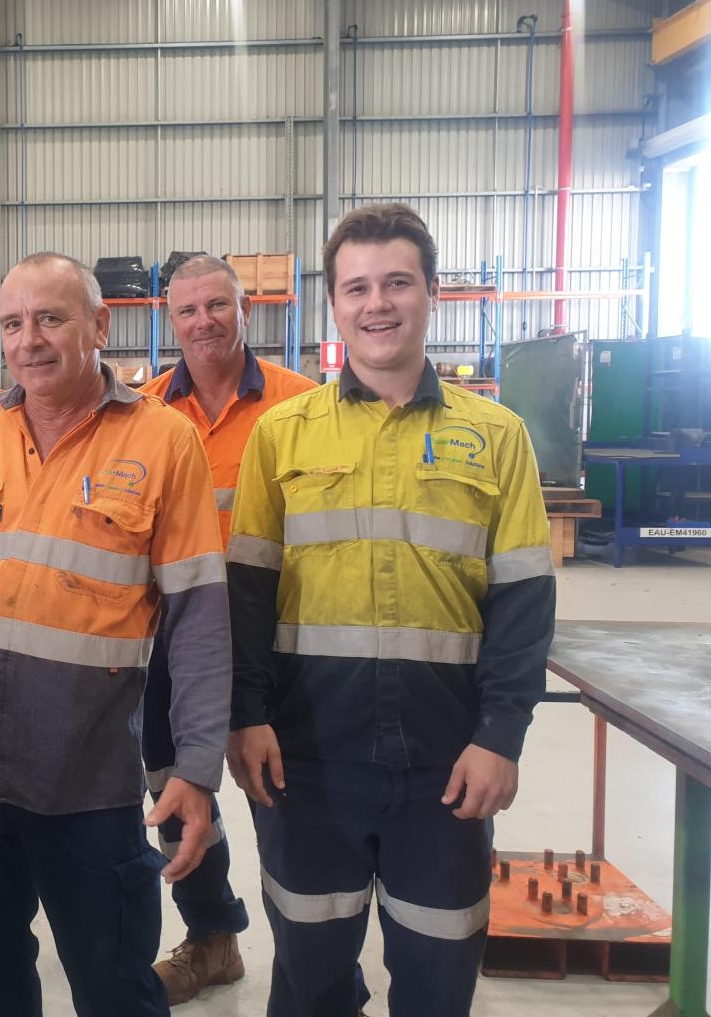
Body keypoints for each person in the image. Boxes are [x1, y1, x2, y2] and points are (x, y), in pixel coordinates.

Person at [0, 253, 233, 1016]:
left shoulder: (163, 442)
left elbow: (197, 619)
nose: (29, 340)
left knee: (114, 988)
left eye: (50, 319)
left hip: (89, 784)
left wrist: (196, 767)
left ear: (99, 325)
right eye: (12, 323)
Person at [225, 203, 556, 1017]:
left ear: (431, 292)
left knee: (439, 977)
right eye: (357, 287)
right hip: (306, 761)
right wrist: (244, 715)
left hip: (448, 766)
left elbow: (522, 601)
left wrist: (500, 736)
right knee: (309, 977)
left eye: (397, 282)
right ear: (334, 303)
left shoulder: (498, 436)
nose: (378, 303)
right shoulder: (282, 434)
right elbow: (248, 593)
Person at [138, 255, 318, 1005]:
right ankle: (213, 940)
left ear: (247, 310)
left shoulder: (303, 405)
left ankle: (314, 957)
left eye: (219, 305)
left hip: (282, 645)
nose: (204, 321)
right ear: (169, 321)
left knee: (294, 802)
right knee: (176, 799)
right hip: (174, 649)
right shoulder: (143, 414)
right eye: (188, 310)